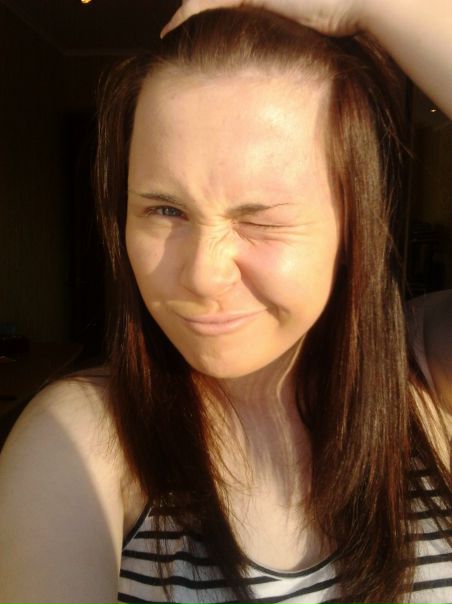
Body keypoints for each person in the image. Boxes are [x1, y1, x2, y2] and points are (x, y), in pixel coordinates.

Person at [0, 2, 451, 603]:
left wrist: (376, 5)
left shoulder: (428, 378)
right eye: (165, 209)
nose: (201, 276)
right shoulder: (83, 439)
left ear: (353, 227)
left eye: (259, 220)